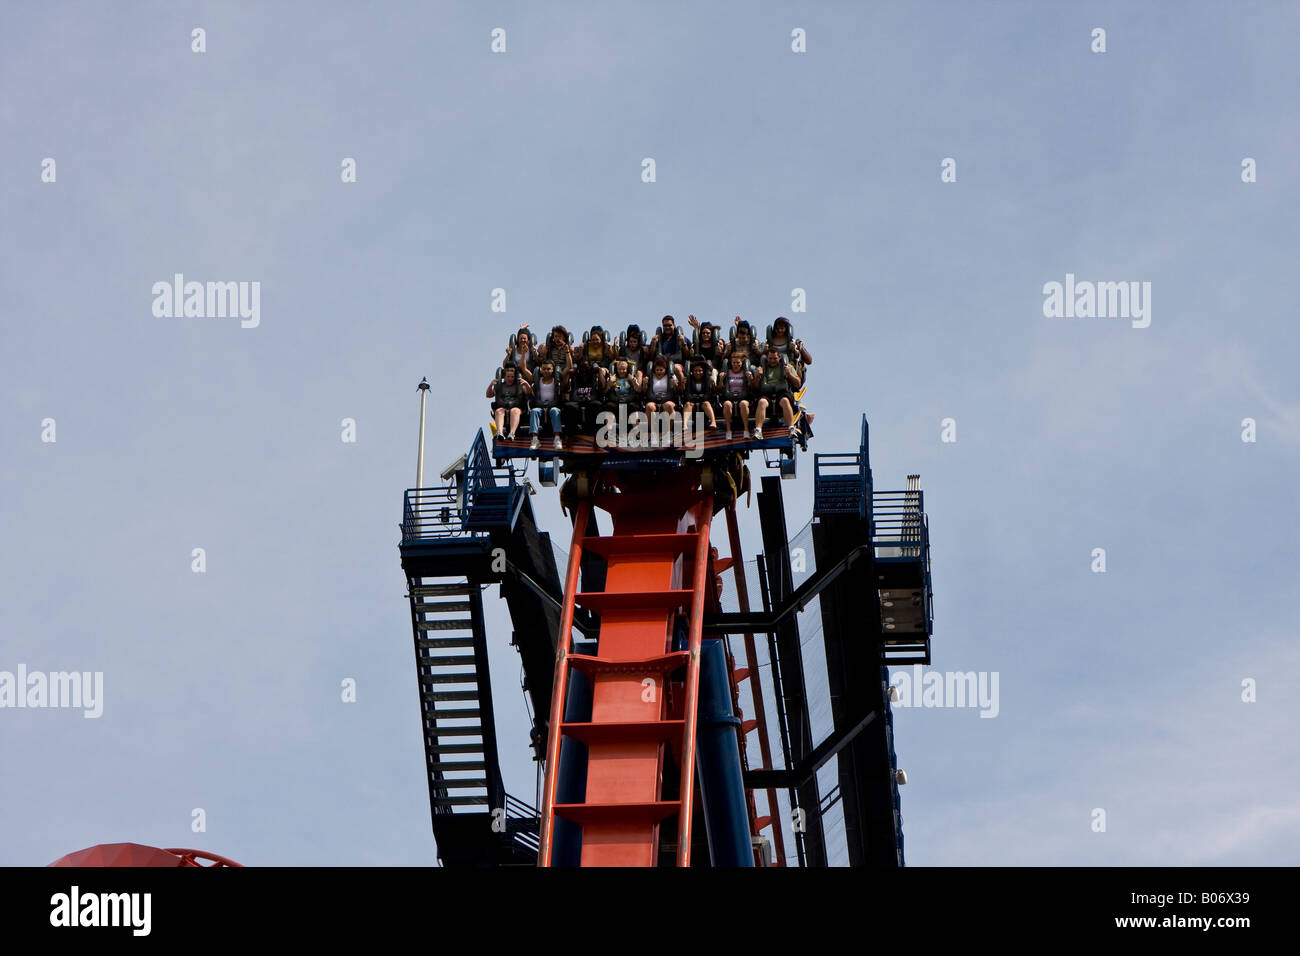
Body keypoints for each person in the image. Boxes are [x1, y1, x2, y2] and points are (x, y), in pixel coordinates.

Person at [750, 345, 801, 440]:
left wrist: (789, 374)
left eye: (775, 358)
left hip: (782, 393)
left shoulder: (787, 366)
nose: (772, 361)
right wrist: (757, 376)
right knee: (761, 402)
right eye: (770, 358)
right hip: (767, 394)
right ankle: (758, 430)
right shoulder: (761, 368)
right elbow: (754, 388)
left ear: (779, 357)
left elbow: (798, 384)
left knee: (785, 401)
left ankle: (791, 428)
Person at [643, 354, 683, 445]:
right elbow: (644, 391)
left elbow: (678, 390)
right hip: (654, 399)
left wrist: (675, 385)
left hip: (668, 399)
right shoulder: (650, 377)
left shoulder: (670, 377)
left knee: (668, 405)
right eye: (657, 370)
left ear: (665, 370)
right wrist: (645, 384)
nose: (659, 372)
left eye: (661, 370)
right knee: (649, 406)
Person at [603, 358, 643, 447]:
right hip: (617, 402)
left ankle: (637, 433)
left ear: (627, 369)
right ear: (616, 369)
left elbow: (637, 391)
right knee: (609, 406)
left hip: (629, 402)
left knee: (634, 406)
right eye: (620, 369)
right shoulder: (614, 379)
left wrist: (633, 381)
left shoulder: (631, 378)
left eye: (624, 369)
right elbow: (606, 392)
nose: (622, 371)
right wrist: (610, 382)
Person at [562, 358, 606, 437]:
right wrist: (568, 374)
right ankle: (571, 432)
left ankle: (597, 431)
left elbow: (602, 386)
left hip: (591, 400)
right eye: (582, 367)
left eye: (586, 367)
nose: (584, 370)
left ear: (590, 367)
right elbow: (565, 388)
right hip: (576, 401)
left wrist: (599, 372)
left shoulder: (593, 375)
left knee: (597, 404)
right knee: (569, 406)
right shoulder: (575, 376)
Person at [528, 357, 565, 450]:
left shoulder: (556, 382)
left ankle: (557, 438)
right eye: (544, 369)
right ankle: (535, 439)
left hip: (553, 405)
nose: (546, 371)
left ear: (553, 369)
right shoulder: (538, 382)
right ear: (541, 369)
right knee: (534, 411)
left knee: (555, 411)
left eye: (548, 369)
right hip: (540, 406)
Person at [487, 364, 531, 440]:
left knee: (515, 411)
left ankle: (512, 433)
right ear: (504, 377)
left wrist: (526, 384)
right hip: (503, 407)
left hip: (516, 408)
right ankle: (500, 432)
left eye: (512, 377)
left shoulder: (519, 385)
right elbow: (488, 395)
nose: (510, 379)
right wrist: (491, 385)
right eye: (508, 377)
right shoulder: (500, 386)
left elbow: (529, 392)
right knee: (498, 411)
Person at [719, 350, 753, 440]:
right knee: (727, 404)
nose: (736, 365)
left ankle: (746, 430)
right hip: (729, 397)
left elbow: (751, 387)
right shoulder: (727, 372)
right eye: (734, 362)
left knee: (744, 404)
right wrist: (721, 380)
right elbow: (720, 388)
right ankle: (728, 430)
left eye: (738, 363)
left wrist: (750, 379)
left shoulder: (745, 373)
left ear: (741, 363)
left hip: (743, 397)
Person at [682, 359, 718, 430]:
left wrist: (712, 383)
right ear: (692, 372)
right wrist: (682, 383)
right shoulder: (689, 379)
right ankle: (684, 424)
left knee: (706, 403)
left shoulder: (707, 379)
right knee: (688, 404)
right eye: (695, 371)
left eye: (700, 371)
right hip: (692, 402)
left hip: (705, 402)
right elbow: (686, 393)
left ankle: (713, 422)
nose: (698, 373)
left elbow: (713, 392)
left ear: (703, 371)